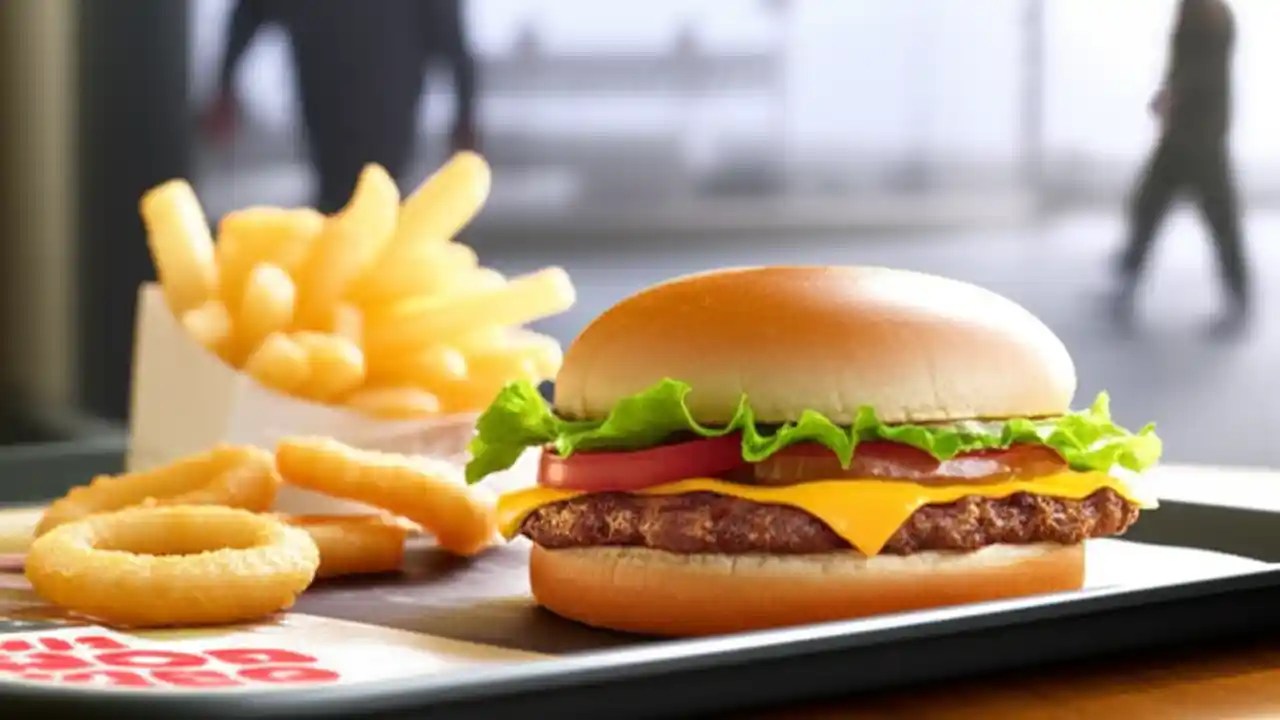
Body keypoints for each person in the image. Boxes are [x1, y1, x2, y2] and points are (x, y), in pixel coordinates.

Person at [201, 0, 478, 213]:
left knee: (376, 191)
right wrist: (225, 88)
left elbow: (454, 43)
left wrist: (465, 118)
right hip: (329, 101)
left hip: (386, 103)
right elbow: (248, 14)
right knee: (342, 192)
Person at [1114, 0, 1248, 334]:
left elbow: (1205, 70)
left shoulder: (1211, 15)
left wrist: (1175, 94)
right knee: (1147, 206)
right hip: (1180, 135)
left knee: (1219, 219)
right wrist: (1169, 95)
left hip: (1202, 137)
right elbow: (1182, 67)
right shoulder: (1192, 12)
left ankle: (1239, 298)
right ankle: (1126, 284)